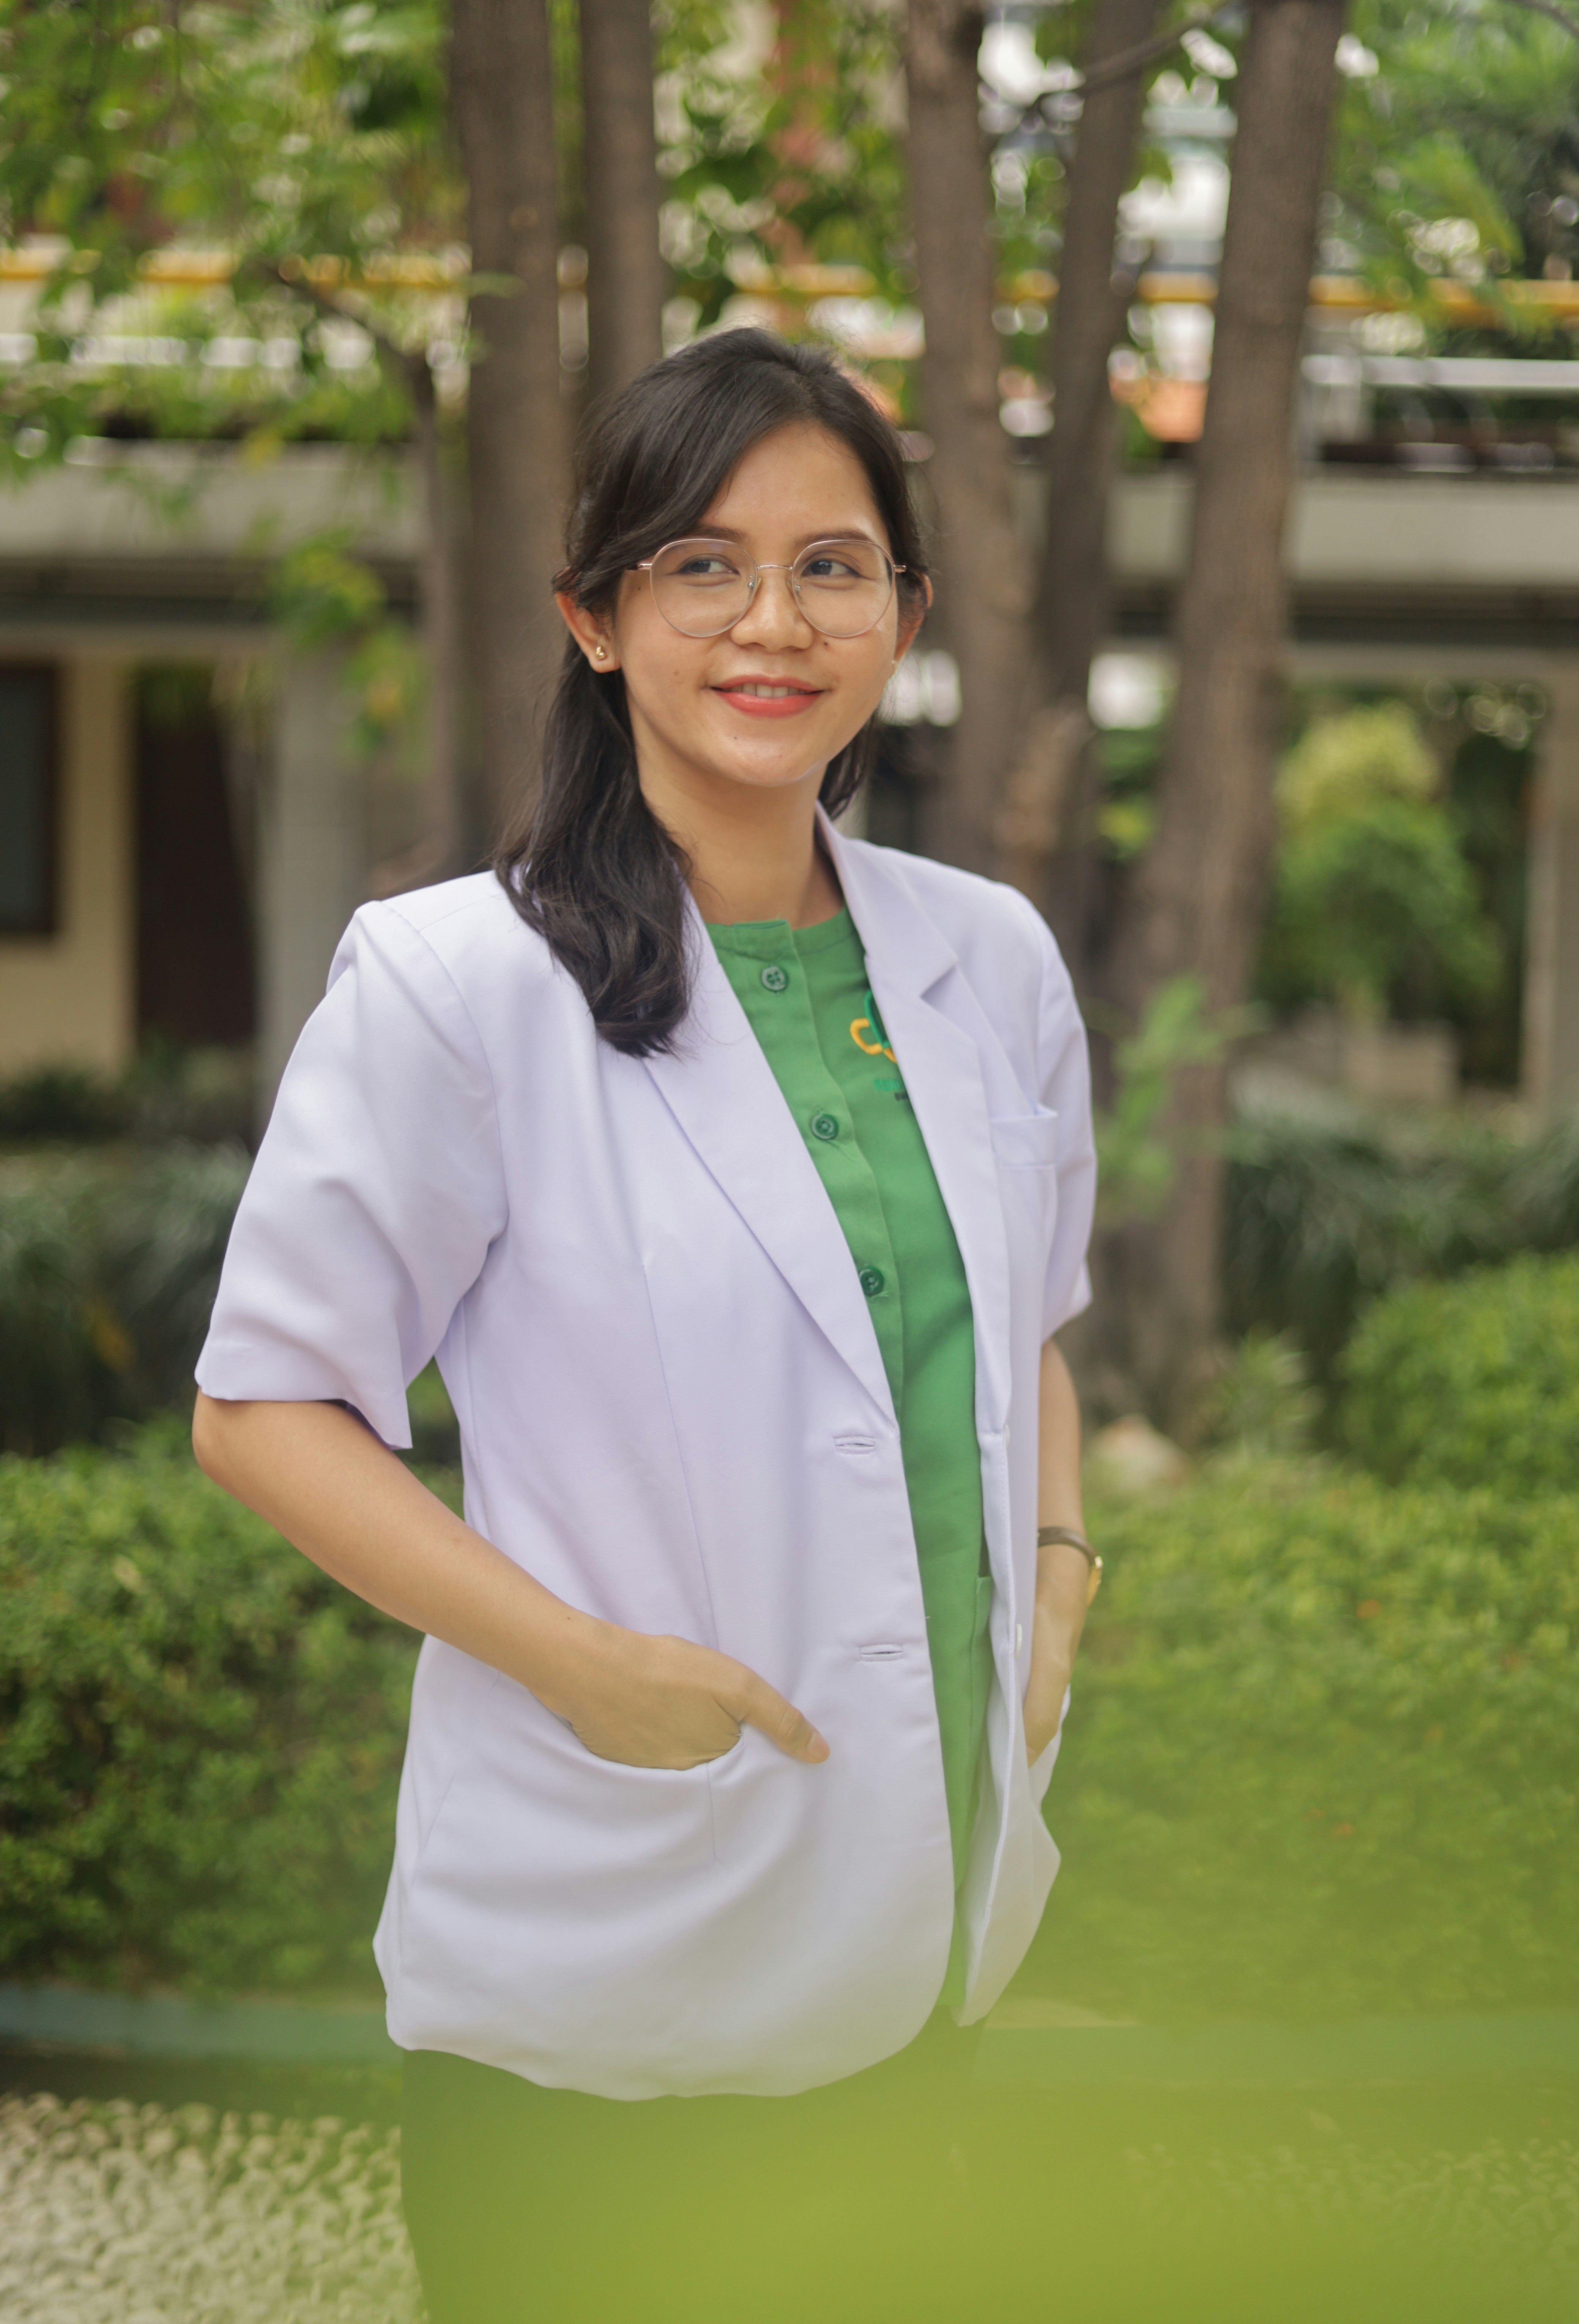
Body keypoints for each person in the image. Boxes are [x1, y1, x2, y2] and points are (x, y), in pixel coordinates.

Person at [192, 327, 1097, 2321]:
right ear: (596, 620)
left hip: (926, 1953)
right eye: (700, 564)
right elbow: (266, 1410)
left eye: (833, 564)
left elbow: (1030, 1317)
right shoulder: (456, 990)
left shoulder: (990, 961)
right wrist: (585, 1668)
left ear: (903, 615)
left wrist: (1059, 1580)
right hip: (608, 1992)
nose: (772, 619)